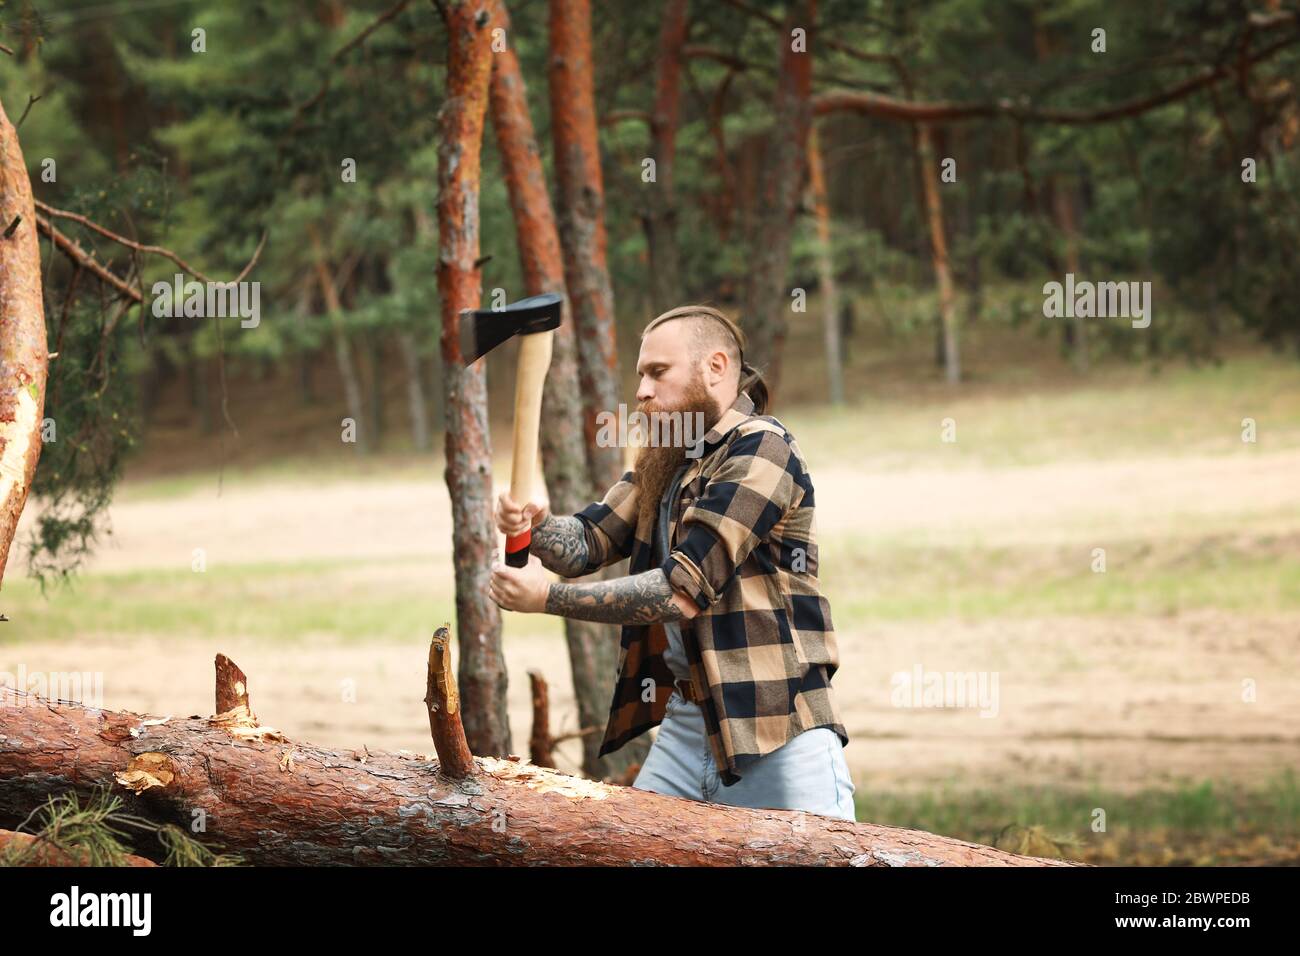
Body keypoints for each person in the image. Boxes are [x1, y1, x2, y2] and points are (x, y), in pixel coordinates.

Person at [489, 304, 855, 821]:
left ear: (717, 368)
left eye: (658, 372)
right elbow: (589, 540)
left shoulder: (763, 451)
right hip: (688, 724)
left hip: (776, 729)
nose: (641, 389)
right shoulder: (668, 454)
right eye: (640, 374)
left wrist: (545, 599)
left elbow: (680, 591)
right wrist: (536, 524)